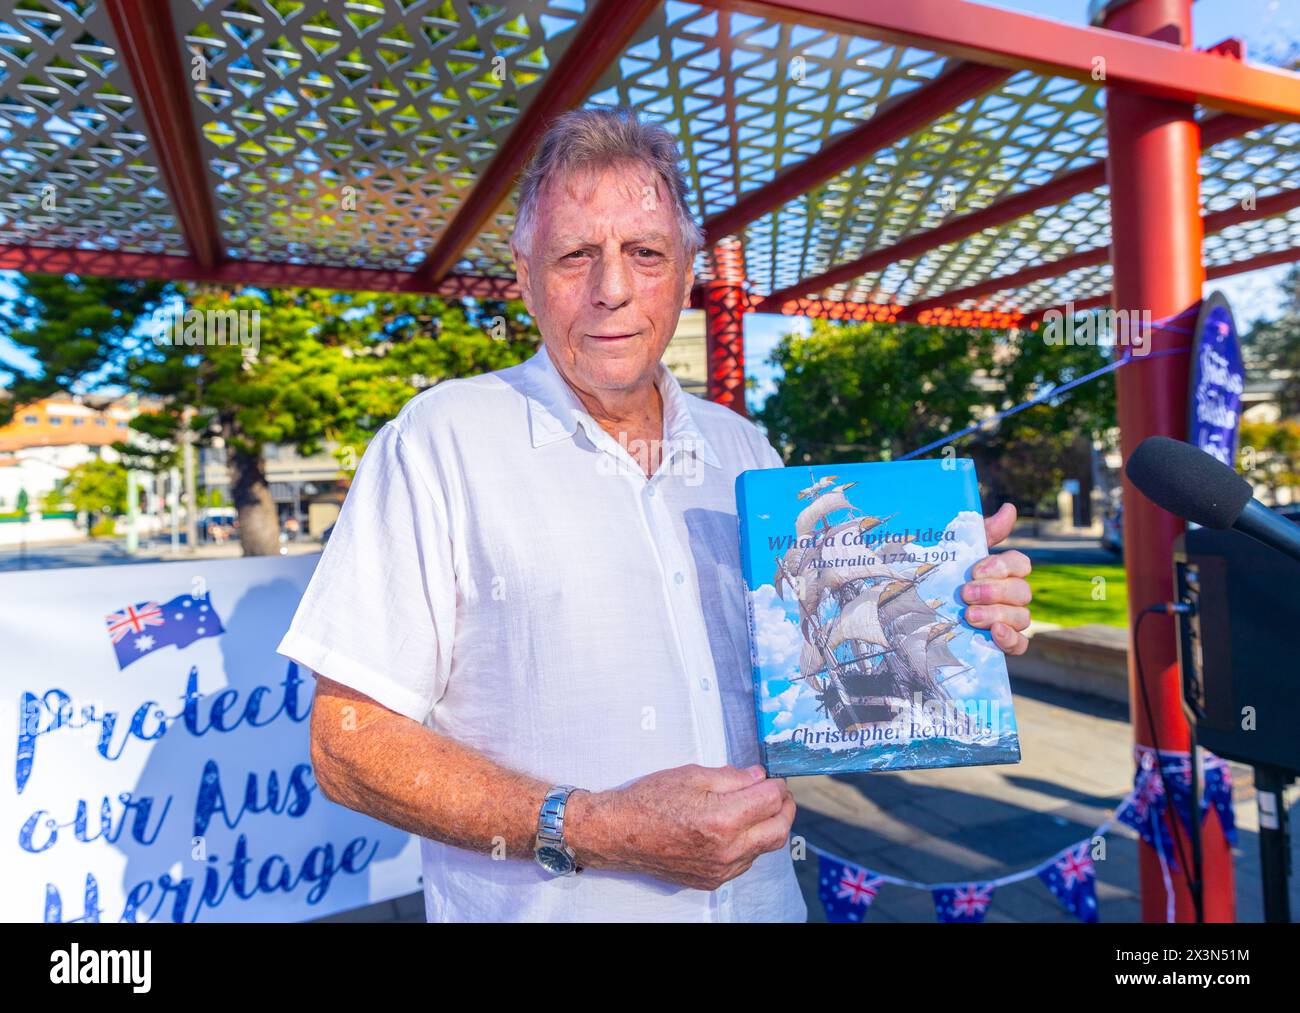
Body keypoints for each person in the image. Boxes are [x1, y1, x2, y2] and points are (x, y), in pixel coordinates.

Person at [277, 107, 1034, 923]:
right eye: (576, 255)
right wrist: (592, 826)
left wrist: (952, 601)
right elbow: (347, 741)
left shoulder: (744, 449)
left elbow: (813, 665)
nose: (613, 290)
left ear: (684, 272)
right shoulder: (436, 442)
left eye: (644, 253)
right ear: (525, 271)